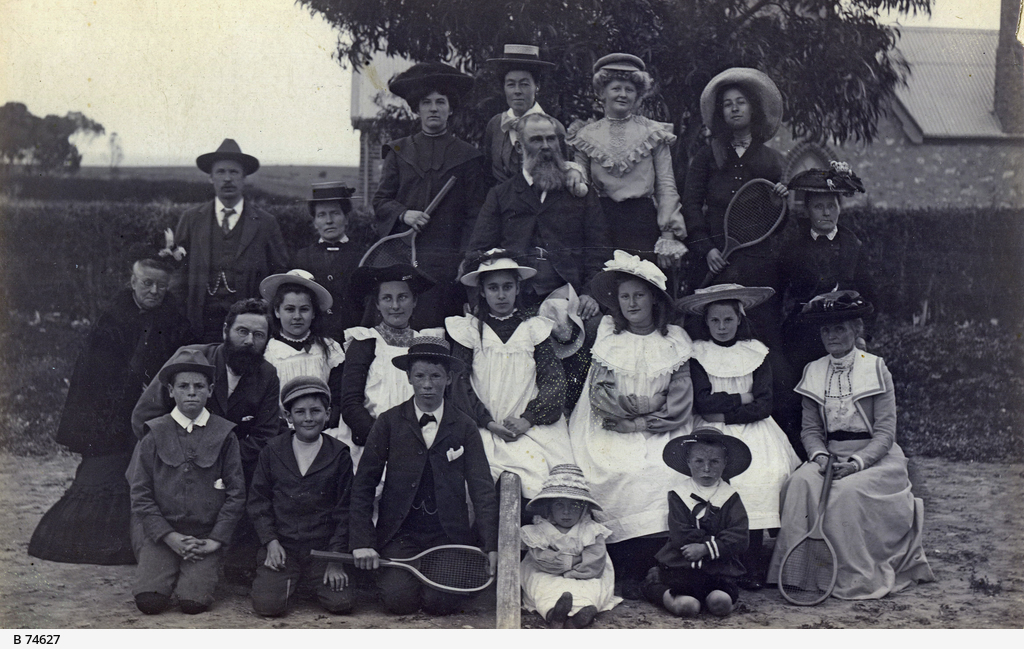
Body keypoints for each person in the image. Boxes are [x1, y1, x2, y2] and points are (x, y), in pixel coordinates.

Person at [767, 291, 935, 599]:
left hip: (875, 459)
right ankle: (801, 576)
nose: (832, 336)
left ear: (855, 330)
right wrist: (819, 456)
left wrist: (857, 463)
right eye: (826, 330)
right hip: (830, 456)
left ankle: (849, 576)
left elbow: (885, 432)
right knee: (799, 484)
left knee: (845, 493)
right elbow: (811, 429)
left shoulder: (876, 368)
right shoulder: (814, 371)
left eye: (839, 328)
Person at [29, 255, 193, 565]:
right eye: (147, 283)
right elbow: (93, 377)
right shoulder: (111, 321)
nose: (154, 291)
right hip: (110, 420)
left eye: (161, 286)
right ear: (133, 282)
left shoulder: (177, 324)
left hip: (157, 414)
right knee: (102, 478)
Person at [567, 251, 694, 597]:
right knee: (614, 469)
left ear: (654, 299)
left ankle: (657, 563)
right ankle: (623, 563)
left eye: (639, 295)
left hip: (660, 428)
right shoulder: (610, 334)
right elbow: (601, 394)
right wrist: (634, 410)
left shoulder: (674, 339)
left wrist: (644, 421)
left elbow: (680, 399)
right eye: (625, 296)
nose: (632, 303)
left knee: (664, 471)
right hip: (609, 425)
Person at [131, 298, 282, 583]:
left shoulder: (267, 375)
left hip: (230, 462)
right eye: (242, 331)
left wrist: (220, 457)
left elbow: (265, 435)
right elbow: (144, 416)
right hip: (171, 458)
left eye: (259, 335)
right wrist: (177, 454)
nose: (249, 341)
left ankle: (232, 554)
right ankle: (157, 550)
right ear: (226, 330)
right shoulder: (191, 358)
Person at [682, 67, 792, 451]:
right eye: (727, 104)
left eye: (740, 102)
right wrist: (706, 249)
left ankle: (773, 436)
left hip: (759, 269)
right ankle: (704, 431)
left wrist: (780, 200)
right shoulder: (706, 158)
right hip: (714, 264)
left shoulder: (773, 161)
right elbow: (691, 206)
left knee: (767, 351)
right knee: (706, 345)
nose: (733, 109)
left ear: (753, 109)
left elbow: (779, 222)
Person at [468, 112, 611, 410]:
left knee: (597, 332)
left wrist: (590, 293)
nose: (546, 146)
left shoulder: (579, 194)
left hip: (569, 295)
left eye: (551, 139)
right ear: (520, 147)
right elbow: (478, 251)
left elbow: (598, 249)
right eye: (537, 139)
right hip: (518, 298)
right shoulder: (501, 195)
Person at [349, 337, 499, 615]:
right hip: (400, 534)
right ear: (408, 377)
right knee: (398, 601)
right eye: (419, 376)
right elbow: (363, 485)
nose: (427, 384)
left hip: (447, 535)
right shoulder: (389, 422)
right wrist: (362, 542)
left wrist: (491, 544)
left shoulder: (464, 426)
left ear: (449, 378)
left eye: (436, 376)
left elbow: (482, 488)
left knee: (439, 603)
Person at [676, 283, 799, 590]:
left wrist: (727, 413)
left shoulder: (755, 352)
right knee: (716, 477)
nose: (721, 326)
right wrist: (743, 397)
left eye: (728, 319)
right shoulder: (698, 353)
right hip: (711, 430)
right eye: (715, 320)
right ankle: (717, 560)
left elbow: (764, 404)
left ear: (739, 319)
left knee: (764, 472)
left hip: (754, 428)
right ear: (706, 322)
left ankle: (751, 562)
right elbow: (703, 402)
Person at [446, 251, 574, 499]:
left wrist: (528, 419)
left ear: (517, 288)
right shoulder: (469, 331)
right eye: (493, 288)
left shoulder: (534, 329)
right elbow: (459, 386)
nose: (501, 295)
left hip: (530, 428)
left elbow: (553, 381)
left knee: (549, 479)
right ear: (482, 292)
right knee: (471, 481)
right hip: (482, 426)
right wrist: (487, 422)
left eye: (507, 287)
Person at [127, 348, 246, 615]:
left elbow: (236, 493)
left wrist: (215, 540)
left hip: (205, 538)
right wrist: (169, 537)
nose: (191, 392)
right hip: (164, 536)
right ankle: (164, 569)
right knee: (149, 602)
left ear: (210, 390)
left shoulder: (225, 434)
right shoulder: (154, 432)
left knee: (193, 604)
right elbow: (141, 494)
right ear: (171, 391)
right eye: (183, 386)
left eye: (199, 386)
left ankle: (199, 573)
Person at [372, 62, 488, 329]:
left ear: (450, 109)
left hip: (448, 265)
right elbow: (380, 201)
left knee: (440, 334)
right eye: (426, 103)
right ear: (417, 109)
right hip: (403, 260)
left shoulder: (469, 157)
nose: (433, 108)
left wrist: (466, 259)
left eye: (440, 102)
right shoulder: (398, 151)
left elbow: (475, 215)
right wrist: (404, 214)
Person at [566, 53, 687, 267]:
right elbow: (581, 183)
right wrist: (574, 173)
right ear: (602, 93)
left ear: (638, 95)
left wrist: (668, 233)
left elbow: (666, 184)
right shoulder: (585, 135)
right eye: (616, 88)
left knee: (644, 280)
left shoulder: (653, 132)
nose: (623, 94)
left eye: (629, 90)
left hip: (642, 221)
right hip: (601, 221)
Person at [247, 376, 354, 617]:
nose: (308, 418)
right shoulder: (272, 451)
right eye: (300, 412)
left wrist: (335, 559)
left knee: (341, 603)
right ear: (288, 416)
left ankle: (309, 580)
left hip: (322, 550)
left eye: (315, 411)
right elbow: (259, 502)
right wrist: (271, 542)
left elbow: (345, 510)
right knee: (268, 606)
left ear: (327, 414)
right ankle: (290, 579)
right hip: (283, 546)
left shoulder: (339, 454)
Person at [174, 139, 290, 342]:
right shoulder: (191, 219)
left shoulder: (265, 222)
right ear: (211, 178)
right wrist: (181, 315)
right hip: (200, 323)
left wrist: (264, 311)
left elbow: (279, 273)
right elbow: (178, 273)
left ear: (244, 178)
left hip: (248, 326)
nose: (227, 178)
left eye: (234, 172)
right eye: (220, 172)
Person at [778, 161, 876, 382]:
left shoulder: (853, 246)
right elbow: (778, 295)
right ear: (807, 211)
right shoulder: (792, 247)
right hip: (803, 336)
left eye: (831, 206)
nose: (826, 212)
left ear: (839, 208)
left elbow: (870, 295)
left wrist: (863, 335)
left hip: (843, 336)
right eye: (818, 207)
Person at [641, 428, 751, 618]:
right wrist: (716, 540)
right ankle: (657, 589)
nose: (706, 469)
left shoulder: (730, 497)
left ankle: (713, 597)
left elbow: (740, 536)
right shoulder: (679, 495)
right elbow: (680, 534)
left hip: (718, 569)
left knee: (720, 604)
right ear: (688, 462)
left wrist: (706, 548)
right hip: (683, 566)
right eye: (699, 461)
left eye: (714, 462)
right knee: (687, 607)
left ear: (725, 463)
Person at [341, 264, 441, 469]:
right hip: (374, 444)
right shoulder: (365, 342)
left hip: (419, 443)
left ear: (414, 301)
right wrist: (382, 439)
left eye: (402, 297)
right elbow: (351, 403)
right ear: (377, 304)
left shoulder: (424, 343)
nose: (395, 306)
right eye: (387, 298)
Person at [520, 463, 621, 628]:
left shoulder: (590, 530)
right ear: (549, 508)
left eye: (574, 506)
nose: (566, 512)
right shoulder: (541, 530)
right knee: (543, 587)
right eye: (559, 505)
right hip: (546, 572)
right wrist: (573, 562)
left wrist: (571, 572)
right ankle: (555, 615)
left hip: (584, 575)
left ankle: (581, 616)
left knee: (590, 589)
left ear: (584, 509)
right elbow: (540, 558)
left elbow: (595, 560)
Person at [481, 43, 586, 194]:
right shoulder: (496, 124)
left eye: (524, 84)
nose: (517, 91)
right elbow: (488, 174)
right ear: (504, 87)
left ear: (537, 86)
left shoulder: (554, 127)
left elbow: (563, 168)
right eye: (511, 84)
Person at [259, 269, 347, 437]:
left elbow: (337, 394)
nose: (297, 316)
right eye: (290, 309)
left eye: (304, 309)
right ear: (277, 311)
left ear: (313, 313)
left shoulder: (329, 348)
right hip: (280, 432)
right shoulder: (268, 352)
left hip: (324, 429)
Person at [292, 181, 367, 339]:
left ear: (346, 218)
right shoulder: (301, 257)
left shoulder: (364, 256)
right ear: (314, 222)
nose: (329, 221)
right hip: (314, 338)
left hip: (354, 337)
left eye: (335, 213)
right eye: (321, 215)